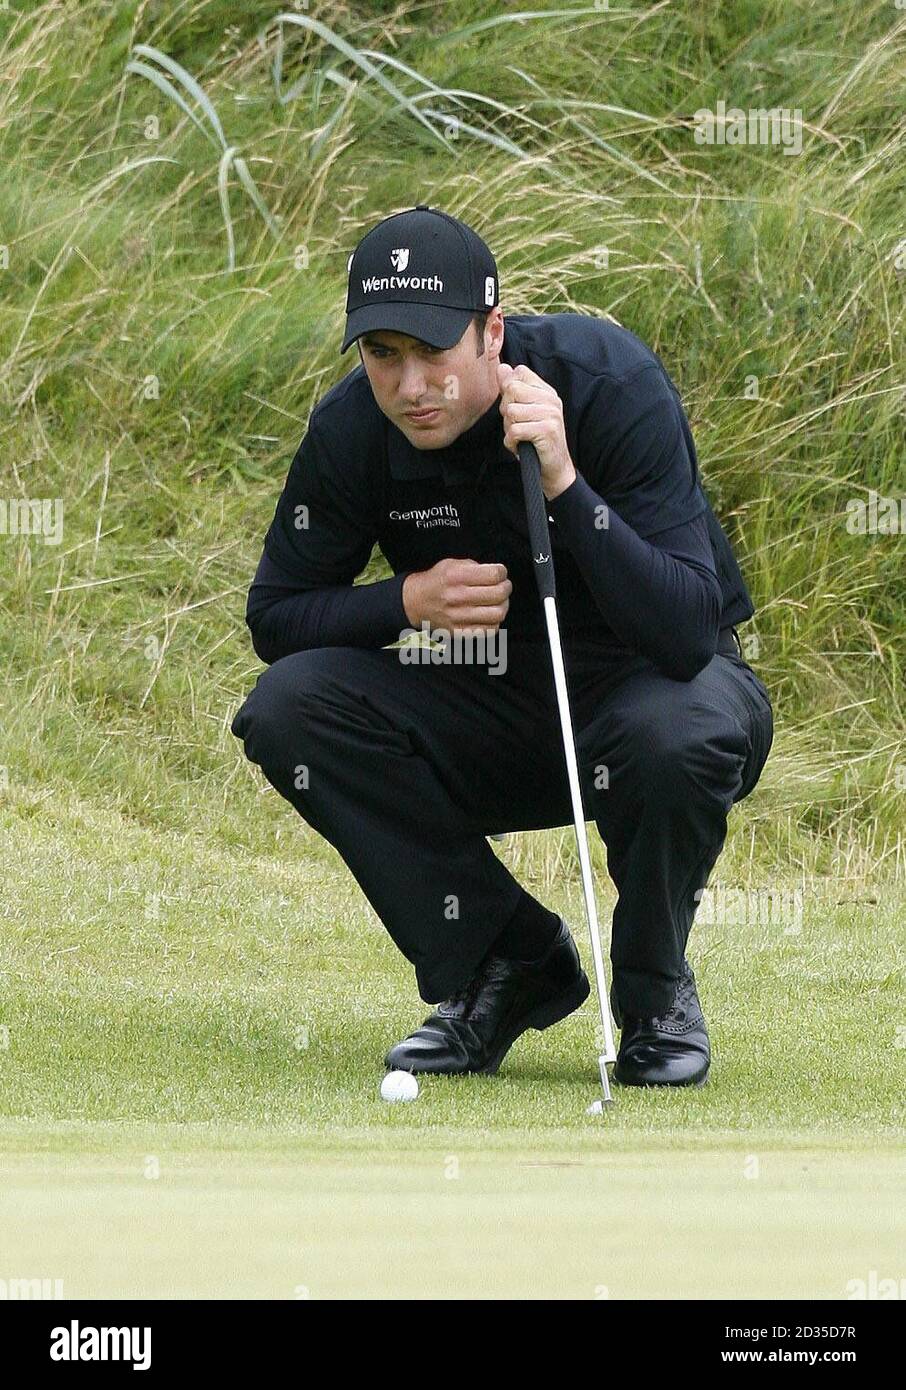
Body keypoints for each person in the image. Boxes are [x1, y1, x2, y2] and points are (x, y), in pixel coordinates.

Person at [230, 205, 774, 1088]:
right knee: (289, 709)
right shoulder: (351, 431)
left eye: (433, 352)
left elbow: (685, 631)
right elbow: (276, 618)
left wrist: (563, 478)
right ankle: (506, 962)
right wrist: (403, 601)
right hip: (482, 705)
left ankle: (654, 993)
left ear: (493, 332)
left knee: (676, 734)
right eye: (383, 356)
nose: (411, 386)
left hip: (649, 693)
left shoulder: (609, 383)